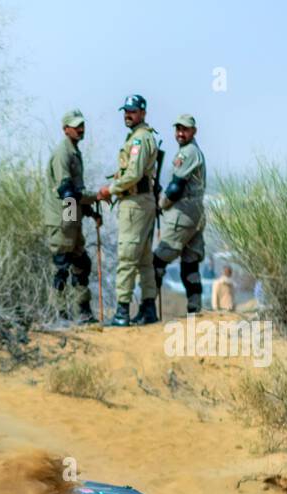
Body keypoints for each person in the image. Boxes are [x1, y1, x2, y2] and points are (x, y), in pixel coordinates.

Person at [96, 94, 161, 326]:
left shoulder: (139, 140)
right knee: (143, 259)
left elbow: (133, 174)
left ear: (142, 113)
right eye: (126, 111)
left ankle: (122, 312)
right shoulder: (138, 137)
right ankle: (148, 309)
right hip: (140, 202)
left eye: (132, 111)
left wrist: (110, 189)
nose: (128, 114)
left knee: (127, 256)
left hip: (135, 203)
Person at [42, 109, 101, 323]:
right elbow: (66, 190)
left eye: (82, 125)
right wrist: (95, 197)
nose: (80, 129)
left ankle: (83, 312)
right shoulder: (63, 153)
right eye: (76, 126)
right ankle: (59, 314)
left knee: (81, 263)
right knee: (61, 265)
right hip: (62, 216)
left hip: (72, 214)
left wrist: (90, 212)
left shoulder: (74, 151)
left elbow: (75, 190)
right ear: (65, 129)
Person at [152, 115, 208, 313]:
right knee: (190, 264)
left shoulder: (189, 152)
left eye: (185, 130)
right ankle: (195, 308)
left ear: (194, 131)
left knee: (158, 260)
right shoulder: (192, 151)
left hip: (183, 213)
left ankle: (148, 308)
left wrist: (161, 203)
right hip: (195, 213)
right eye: (178, 129)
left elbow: (176, 188)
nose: (180, 133)